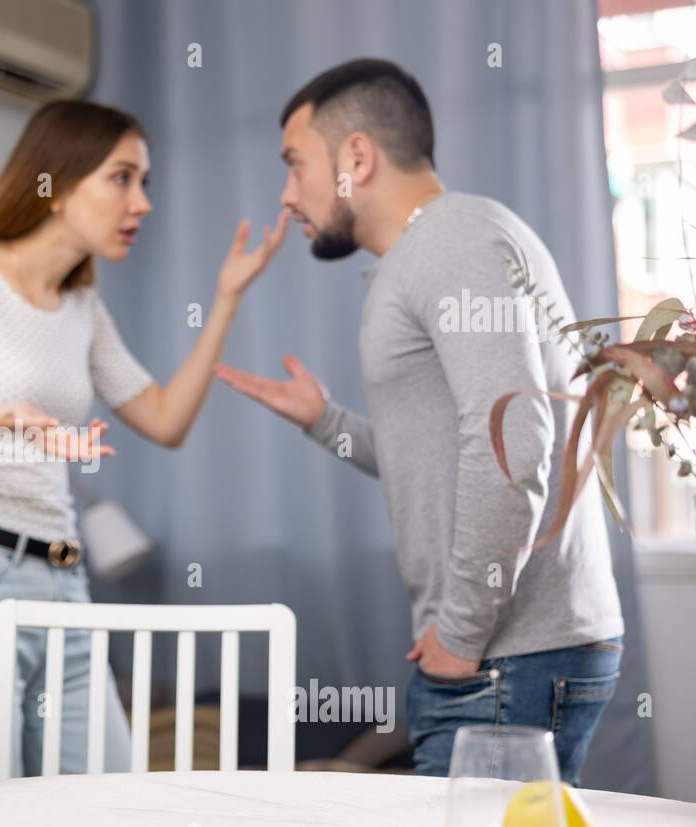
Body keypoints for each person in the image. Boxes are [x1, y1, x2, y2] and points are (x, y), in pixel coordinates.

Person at [214, 59, 624, 784]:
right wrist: (325, 421)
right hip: (517, 651)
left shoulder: (449, 243)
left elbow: (515, 443)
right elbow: (440, 452)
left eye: (294, 165)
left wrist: (461, 637)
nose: (287, 196)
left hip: (509, 656)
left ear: (357, 157)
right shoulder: (446, 244)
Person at [0, 99, 287, 785]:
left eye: (144, 182)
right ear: (56, 184)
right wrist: (1, 419)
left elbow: (165, 421)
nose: (142, 202)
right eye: (123, 178)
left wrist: (228, 300)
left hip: (64, 582)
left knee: (102, 804)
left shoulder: (81, 309)